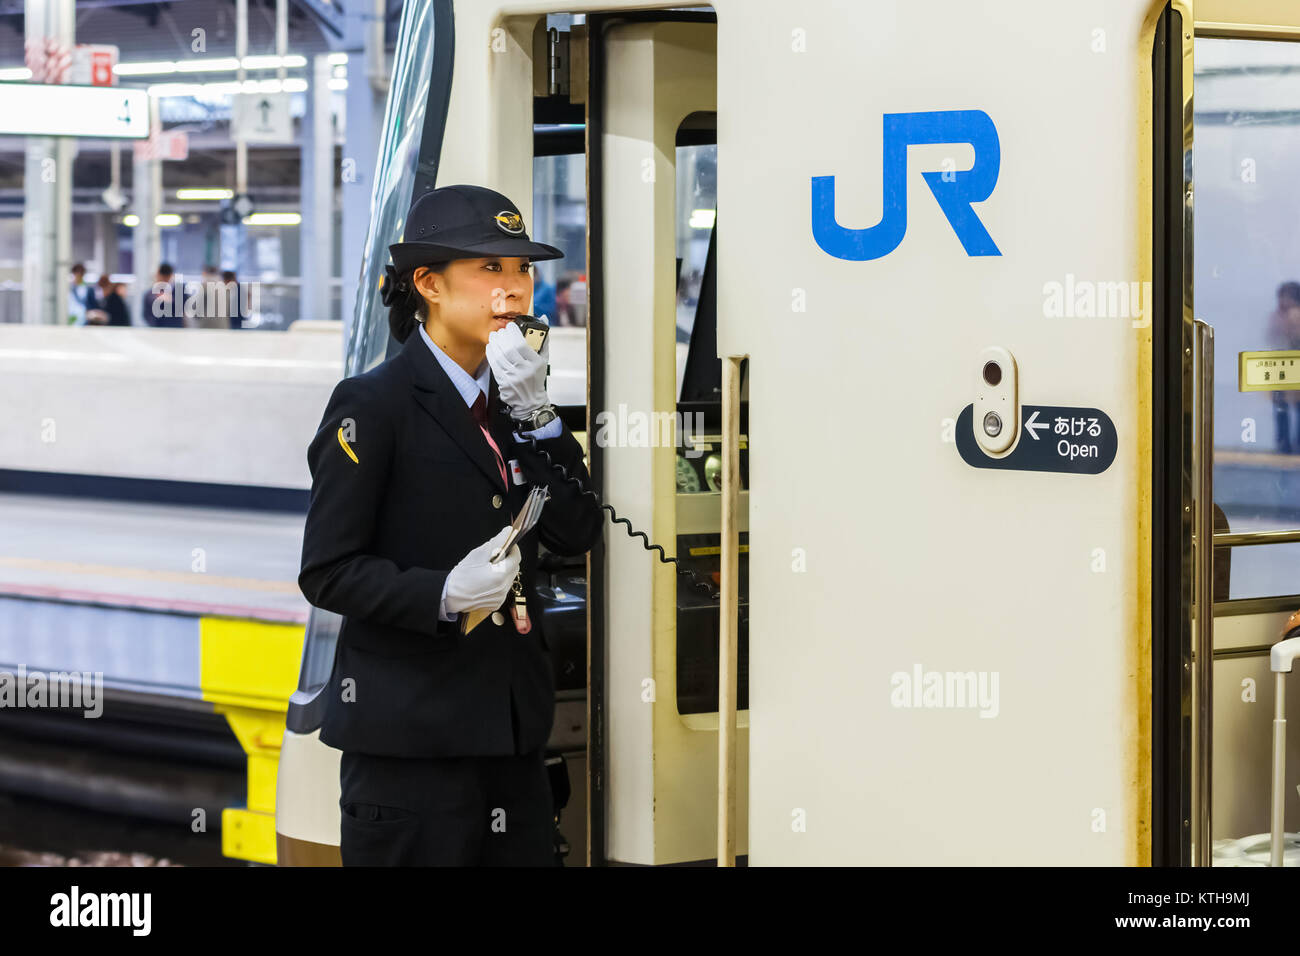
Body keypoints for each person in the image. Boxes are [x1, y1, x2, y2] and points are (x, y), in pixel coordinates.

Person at [298, 184, 603, 866]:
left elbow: (579, 528)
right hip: (411, 755)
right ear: (429, 284)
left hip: (511, 743)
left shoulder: (515, 403)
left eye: (522, 270)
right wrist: (440, 594)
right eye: (490, 269)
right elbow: (327, 569)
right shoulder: (374, 406)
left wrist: (541, 419)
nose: (515, 289)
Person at [1267, 281, 1300, 453]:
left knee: (1294, 406)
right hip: (1280, 366)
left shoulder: (1295, 316)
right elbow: (1272, 337)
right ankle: (1283, 442)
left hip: (1292, 365)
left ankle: (1290, 443)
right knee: (1281, 408)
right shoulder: (1277, 316)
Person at [142, 263, 180, 327]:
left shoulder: (179, 292)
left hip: (176, 329)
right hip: (157, 329)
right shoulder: (150, 294)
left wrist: (172, 300)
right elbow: (146, 315)